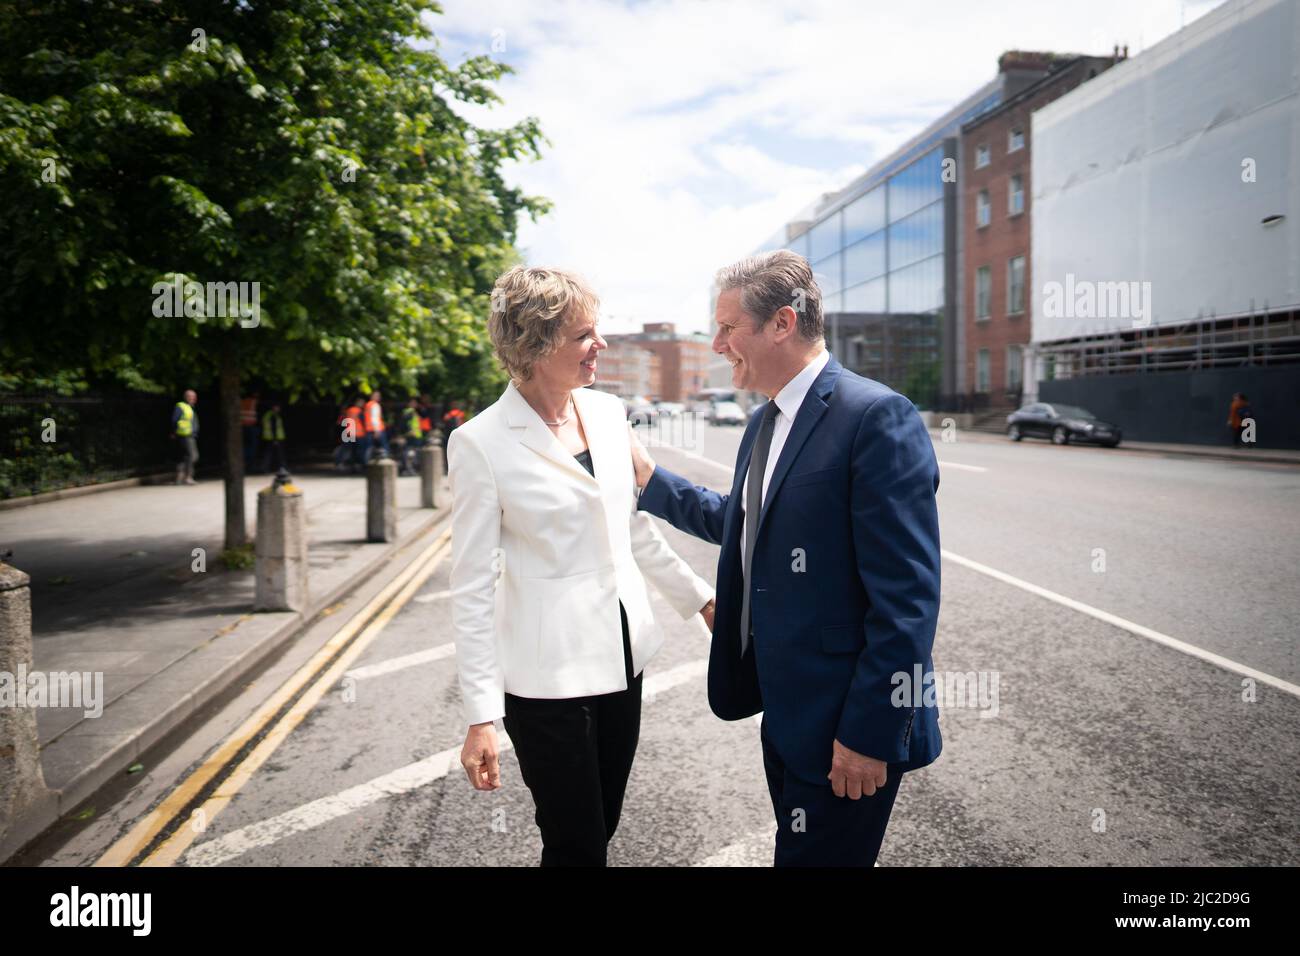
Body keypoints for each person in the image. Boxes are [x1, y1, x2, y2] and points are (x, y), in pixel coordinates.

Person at [628, 250, 942, 867]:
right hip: (787, 712)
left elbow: (907, 600)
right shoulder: (765, 422)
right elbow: (744, 522)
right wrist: (651, 482)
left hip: (847, 725)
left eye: (728, 327)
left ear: (782, 323)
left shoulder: (876, 417)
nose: (717, 344)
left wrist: (868, 735)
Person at [448, 265, 714, 867]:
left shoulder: (609, 414)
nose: (602, 345)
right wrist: (481, 717)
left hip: (624, 656)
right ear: (536, 345)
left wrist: (700, 599)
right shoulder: (479, 444)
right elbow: (471, 586)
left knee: (604, 823)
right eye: (584, 335)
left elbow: (631, 528)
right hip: (544, 680)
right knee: (576, 843)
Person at [170, 389, 199, 485]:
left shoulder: (189, 407)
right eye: (191, 396)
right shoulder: (182, 406)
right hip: (185, 435)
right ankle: (188, 477)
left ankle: (179, 478)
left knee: (183, 457)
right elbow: (174, 420)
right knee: (192, 456)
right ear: (186, 397)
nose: (193, 399)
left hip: (186, 435)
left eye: (194, 397)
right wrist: (174, 432)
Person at [360, 390, 388, 464]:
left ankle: (366, 463)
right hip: (377, 429)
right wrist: (377, 430)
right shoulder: (375, 405)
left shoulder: (367, 405)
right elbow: (374, 418)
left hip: (369, 429)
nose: (379, 397)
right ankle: (386, 463)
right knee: (384, 446)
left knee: (368, 447)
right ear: (372, 396)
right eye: (377, 395)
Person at [398, 397, 424, 475]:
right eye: (413, 402)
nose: (414, 404)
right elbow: (404, 423)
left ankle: (411, 468)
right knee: (411, 452)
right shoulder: (409, 411)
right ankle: (409, 469)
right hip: (412, 435)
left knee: (413, 452)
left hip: (416, 435)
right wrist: (409, 431)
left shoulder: (414, 412)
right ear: (409, 404)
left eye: (415, 403)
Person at [261, 401, 287, 474]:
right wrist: (275, 439)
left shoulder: (268, 415)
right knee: (279, 455)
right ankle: (283, 469)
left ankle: (265, 468)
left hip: (269, 438)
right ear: (274, 407)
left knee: (269, 454)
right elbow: (274, 428)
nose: (279, 408)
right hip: (275, 438)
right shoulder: (273, 416)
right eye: (277, 407)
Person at [441, 400, 466, 475]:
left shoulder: (448, 415)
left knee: (449, 453)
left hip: (449, 436)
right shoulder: (460, 413)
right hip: (458, 436)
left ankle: (448, 469)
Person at [240, 392, 260, 469]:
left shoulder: (241, 401)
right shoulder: (252, 402)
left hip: (242, 426)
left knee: (245, 446)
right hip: (250, 427)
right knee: (252, 447)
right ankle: (250, 464)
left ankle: (246, 462)